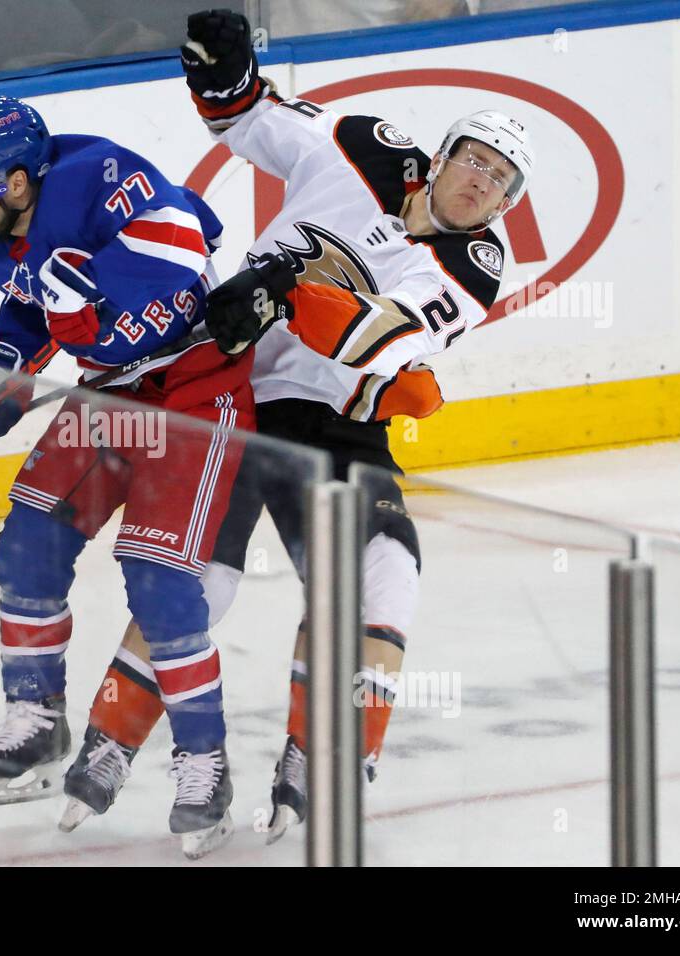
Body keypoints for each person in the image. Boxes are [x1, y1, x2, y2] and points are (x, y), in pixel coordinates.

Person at [60, 8, 534, 843]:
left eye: (501, 182)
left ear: (505, 205)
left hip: (337, 422)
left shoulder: (474, 268)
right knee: (202, 582)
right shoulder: (363, 144)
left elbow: (384, 337)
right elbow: (250, 121)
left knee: (384, 575)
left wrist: (286, 291)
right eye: (475, 161)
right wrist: (222, 73)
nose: (481, 184)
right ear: (444, 153)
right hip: (231, 390)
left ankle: (325, 752)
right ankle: (108, 743)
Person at [0, 94, 256, 858]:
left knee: (159, 580)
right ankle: (38, 723)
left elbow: (185, 242)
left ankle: (204, 766)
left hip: (194, 387)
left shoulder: (97, 177)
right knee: (28, 543)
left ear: (17, 181)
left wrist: (92, 302)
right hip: (114, 393)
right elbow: (27, 318)